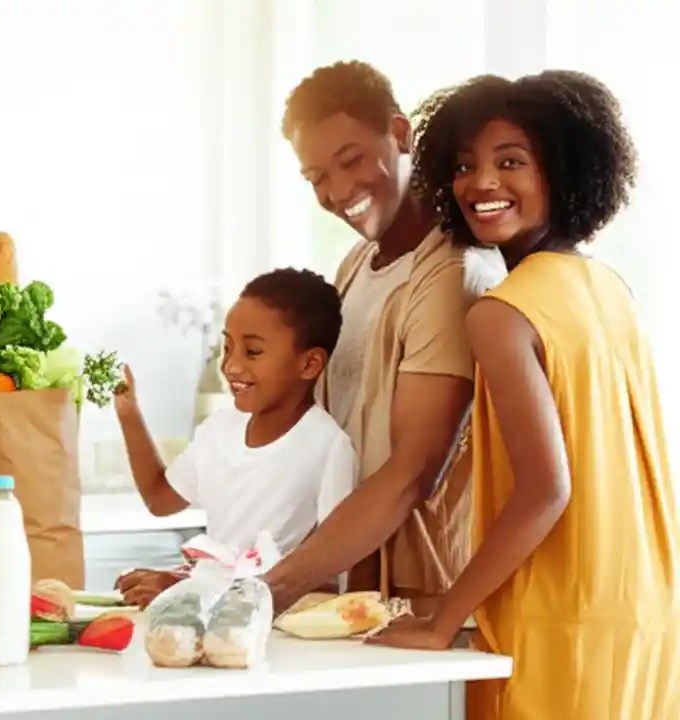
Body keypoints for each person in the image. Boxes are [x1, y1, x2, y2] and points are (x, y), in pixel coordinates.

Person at [370, 70, 679, 719]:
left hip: (555, 626)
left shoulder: (502, 313)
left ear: (564, 172)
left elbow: (545, 488)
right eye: (463, 165)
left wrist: (441, 620)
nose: (479, 183)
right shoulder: (608, 290)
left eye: (511, 161)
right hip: (645, 616)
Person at [263, 61, 506, 615]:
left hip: (419, 596)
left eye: (350, 160)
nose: (337, 190)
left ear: (400, 134)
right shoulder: (355, 265)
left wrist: (265, 590)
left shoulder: (454, 275)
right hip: (343, 588)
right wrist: (229, 569)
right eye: (316, 177)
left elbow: (410, 473)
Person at [114, 269, 357, 607]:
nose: (231, 366)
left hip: (272, 629)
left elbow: (333, 579)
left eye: (253, 352)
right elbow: (160, 500)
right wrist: (129, 414)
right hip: (209, 612)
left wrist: (189, 586)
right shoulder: (219, 429)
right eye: (227, 347)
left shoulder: (328, 448)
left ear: (310, 363)